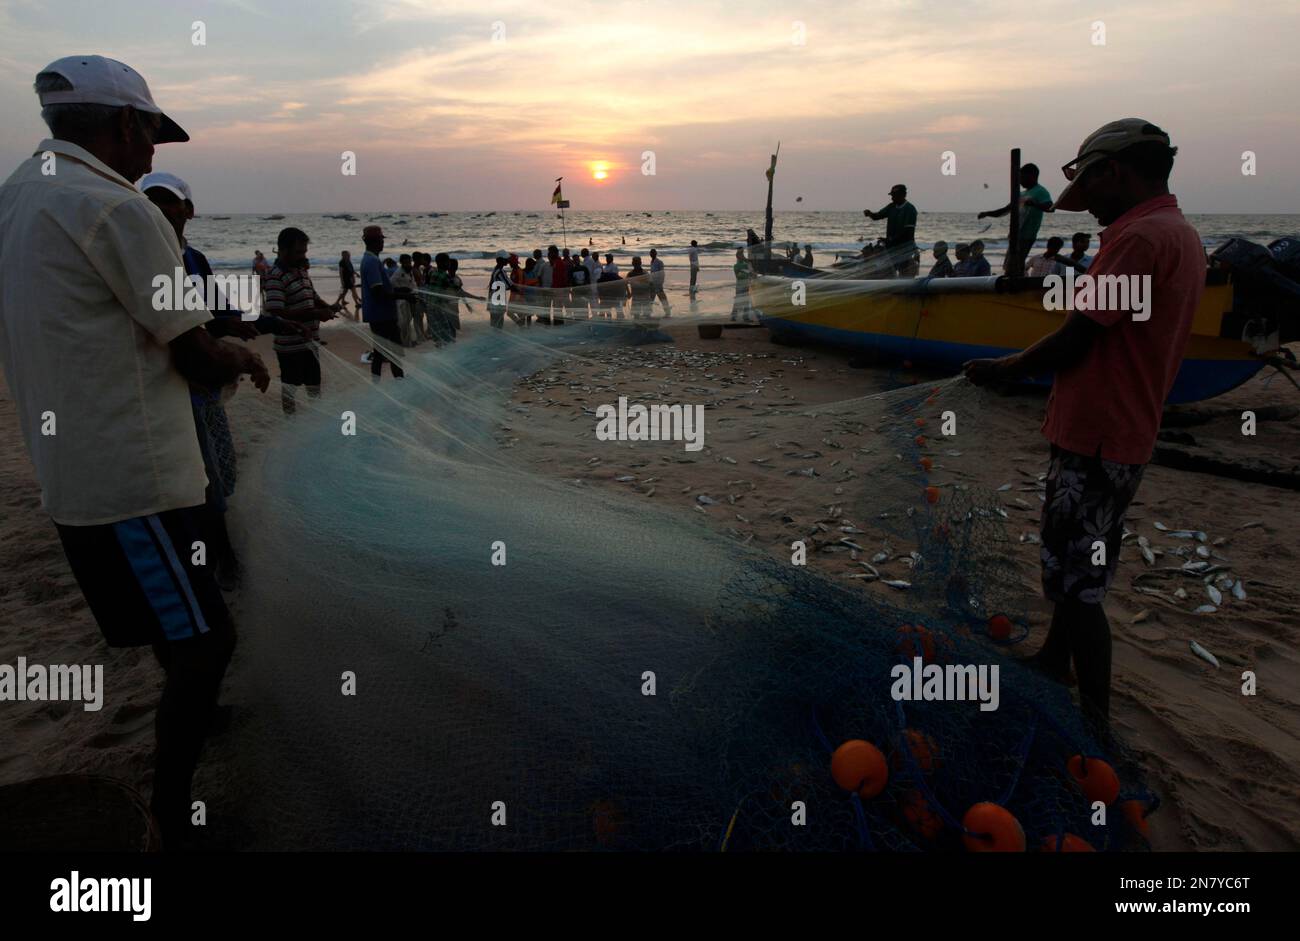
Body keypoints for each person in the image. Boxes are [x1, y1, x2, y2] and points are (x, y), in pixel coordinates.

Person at [1, 56, 271, 847]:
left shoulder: (18, 198)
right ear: (124, 124)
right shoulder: (114, 209)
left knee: (178, 625)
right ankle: (173, 812)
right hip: (138, 480)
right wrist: (242, 355)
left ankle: (198, 715)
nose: (153, 154)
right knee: (209, 638)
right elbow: (190, 350)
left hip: (76, 473)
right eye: (152, 133)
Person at [964, 119, 1202, 734]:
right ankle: (1052, 659)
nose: (1088, 210)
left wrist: (1007, 368)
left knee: (1082, 584)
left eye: (1091, 191)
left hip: (1099, 434)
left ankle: (1095, 724)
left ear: (1114, 171)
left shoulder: (1138, 239)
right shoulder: (1179, 233)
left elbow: (1078, 336)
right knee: (1073, 567)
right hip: (1122, 431)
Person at [263, 227, 340, 413]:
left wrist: (327, 307)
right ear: (282, 250)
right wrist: (315, 314)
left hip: (310, 343)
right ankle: (291, 423)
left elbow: (312, 296)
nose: (302, 256)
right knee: (290, 388)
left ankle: (316, 421)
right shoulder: (275, 275)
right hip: (290, 347)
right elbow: (277, 312)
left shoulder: (301, 270)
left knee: (314, 386)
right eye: (298, 252)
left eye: (304, 251)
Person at [979, 163, 1053, 275]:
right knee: (1009, 264)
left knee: (1016, 263)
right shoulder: (1021, 194)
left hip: (1027, 235)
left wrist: (1035, 204)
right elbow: (1006, 210)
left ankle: (1017, 284)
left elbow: (1050, 207)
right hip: (1015, 234)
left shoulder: (1040, 191)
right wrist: (987, 213)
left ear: (1032, 176)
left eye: (1022, 177)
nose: (1020, 181)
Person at [359, 225, 413, 379]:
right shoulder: (371, 262)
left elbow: (382, 289)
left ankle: (380, 382)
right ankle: (399, 381)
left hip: (379, 314)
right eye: (381, 239)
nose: (382, 243)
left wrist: (400, 291)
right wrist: (403, 296)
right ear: (375, 241)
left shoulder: (371, 260)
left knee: (380, 351)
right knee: (393, 351)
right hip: (382, 315)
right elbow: (378, 292)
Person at [864, 184, 919, 276]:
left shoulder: (910, 209)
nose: (892, 198)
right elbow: (877, 216)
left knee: (905, 274)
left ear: (903, 195)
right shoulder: (891, 207)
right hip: (892, 248)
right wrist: (870, 214)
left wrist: (889, 240)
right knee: (891, 273)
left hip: (905, 249)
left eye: (894, 195)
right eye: (892, 195)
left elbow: (907, 233)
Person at [393, 254, 419, 345]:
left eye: (409, 262)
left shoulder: (409, 271)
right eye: (406, 262)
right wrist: (402, 291)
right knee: (403, 323)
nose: (408, 264)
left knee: (408, 321)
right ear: (401, 262)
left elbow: (412, 284)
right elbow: (391, 285)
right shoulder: (398, 273)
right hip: (402, 302)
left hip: (411, 299)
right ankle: (404, 342)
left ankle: (407, 340)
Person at [335, 250, 361, 315]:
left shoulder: (348, 261)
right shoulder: (342, 262)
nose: (349, 256)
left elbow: (351, 270)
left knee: (345, 291)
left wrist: (356, 274)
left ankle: (341, 301)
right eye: (348, 255)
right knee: (353, 290)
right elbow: (341, 272)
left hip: (350, 279)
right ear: (343, 255)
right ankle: (357, 303)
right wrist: (342, 281)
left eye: (349, 255)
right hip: (346, 279)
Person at [648, 248, 671, 316]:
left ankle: (667, 312)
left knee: (662, 298)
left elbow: (662, 273)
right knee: (651, 299)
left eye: (653, 253)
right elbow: (652, 273)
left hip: (658, 284)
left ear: (656, 254)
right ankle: (648, 313)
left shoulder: (659, 262)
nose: (652, 254)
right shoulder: (651, 262)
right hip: (652, 284)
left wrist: (660, 283)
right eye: (651, 253)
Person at [731, 247, 752, 321]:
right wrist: (748, 273)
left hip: (745, 284)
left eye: (742, 254)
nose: (742, 256)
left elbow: (749, 273)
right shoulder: (737, 266)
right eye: (740, 254)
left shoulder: (745, 264)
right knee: (739, 300)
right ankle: (734, 316)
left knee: (745, 300)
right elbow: (739, 276)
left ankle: (744, 316)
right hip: (740, 285)